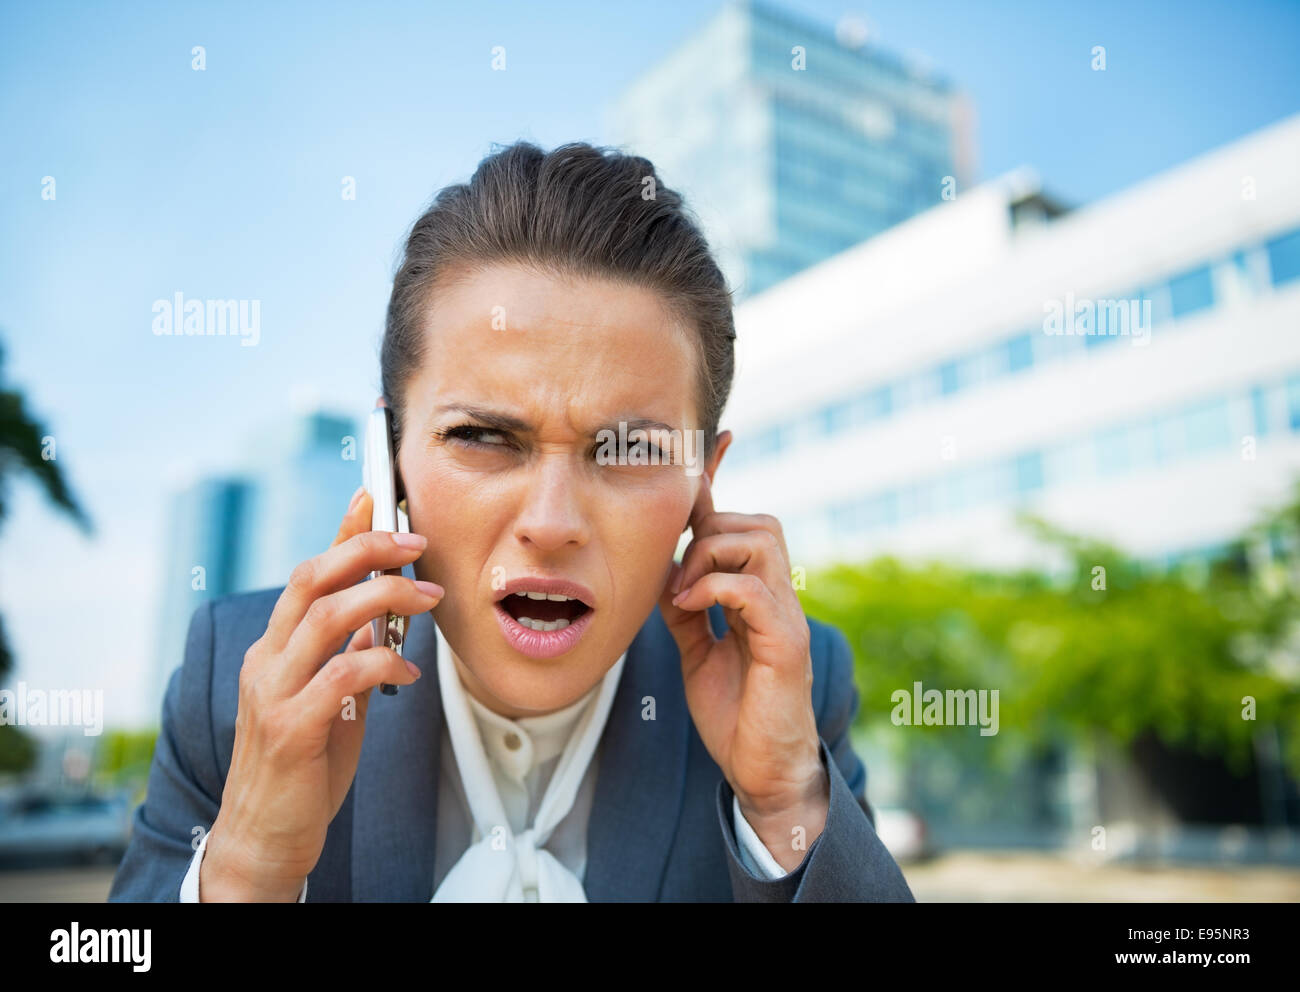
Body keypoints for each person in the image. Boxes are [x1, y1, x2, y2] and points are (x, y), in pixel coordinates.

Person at [107, 140, 915, 902]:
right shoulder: (235, 682)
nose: (553, 522)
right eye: (484, 437)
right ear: (386, 464)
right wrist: (245, 872)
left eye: (630, 449)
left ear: (704, 480)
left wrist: (786, 803)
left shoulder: (790, 688)